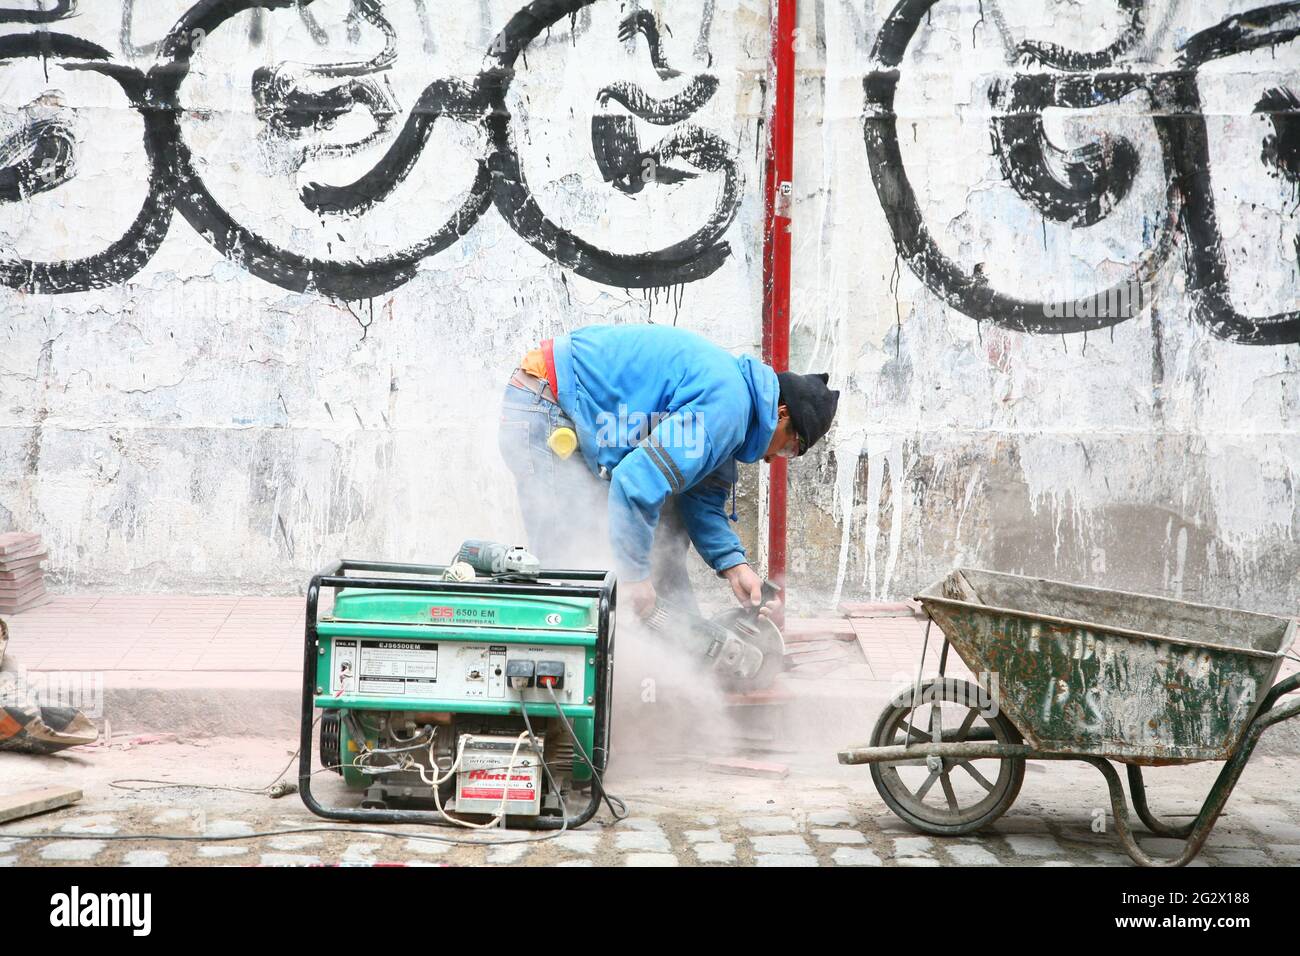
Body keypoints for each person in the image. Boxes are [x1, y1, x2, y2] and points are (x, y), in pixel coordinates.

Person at [497, 324, 839, 619]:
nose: (774, 459)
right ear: (781, 414)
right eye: (788, 448)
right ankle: (548, 683)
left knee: (636, 540)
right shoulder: (727, 408)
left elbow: (700, 502)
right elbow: (634, 483)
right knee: (569, 568)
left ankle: (664, 662)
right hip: (546, 403)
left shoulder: (733, 406)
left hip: (558, 404)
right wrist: (634, 578)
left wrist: (736, 567)